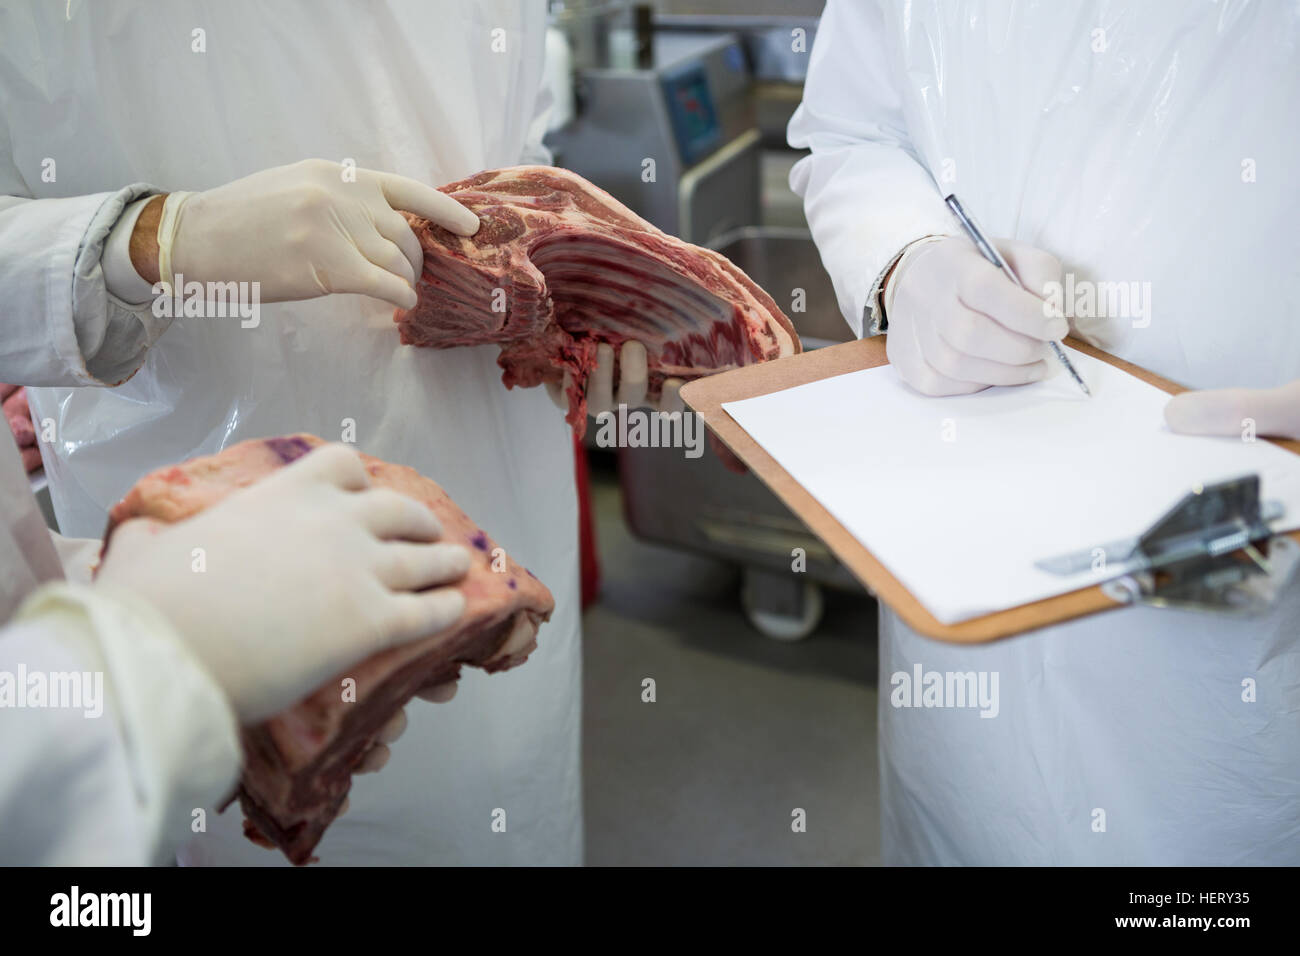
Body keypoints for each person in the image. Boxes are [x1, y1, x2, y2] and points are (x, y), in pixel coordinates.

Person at [0, 0, 588, 865]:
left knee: (498, 813)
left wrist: (570, 300)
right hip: (191, 515)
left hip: (498, 495)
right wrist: (156, 238)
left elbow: (515, 132)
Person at [789, 0, 1299, 864]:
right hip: (968, 530)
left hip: (1248, 583)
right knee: (970, 821)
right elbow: (852, 129)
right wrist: (907, 256)